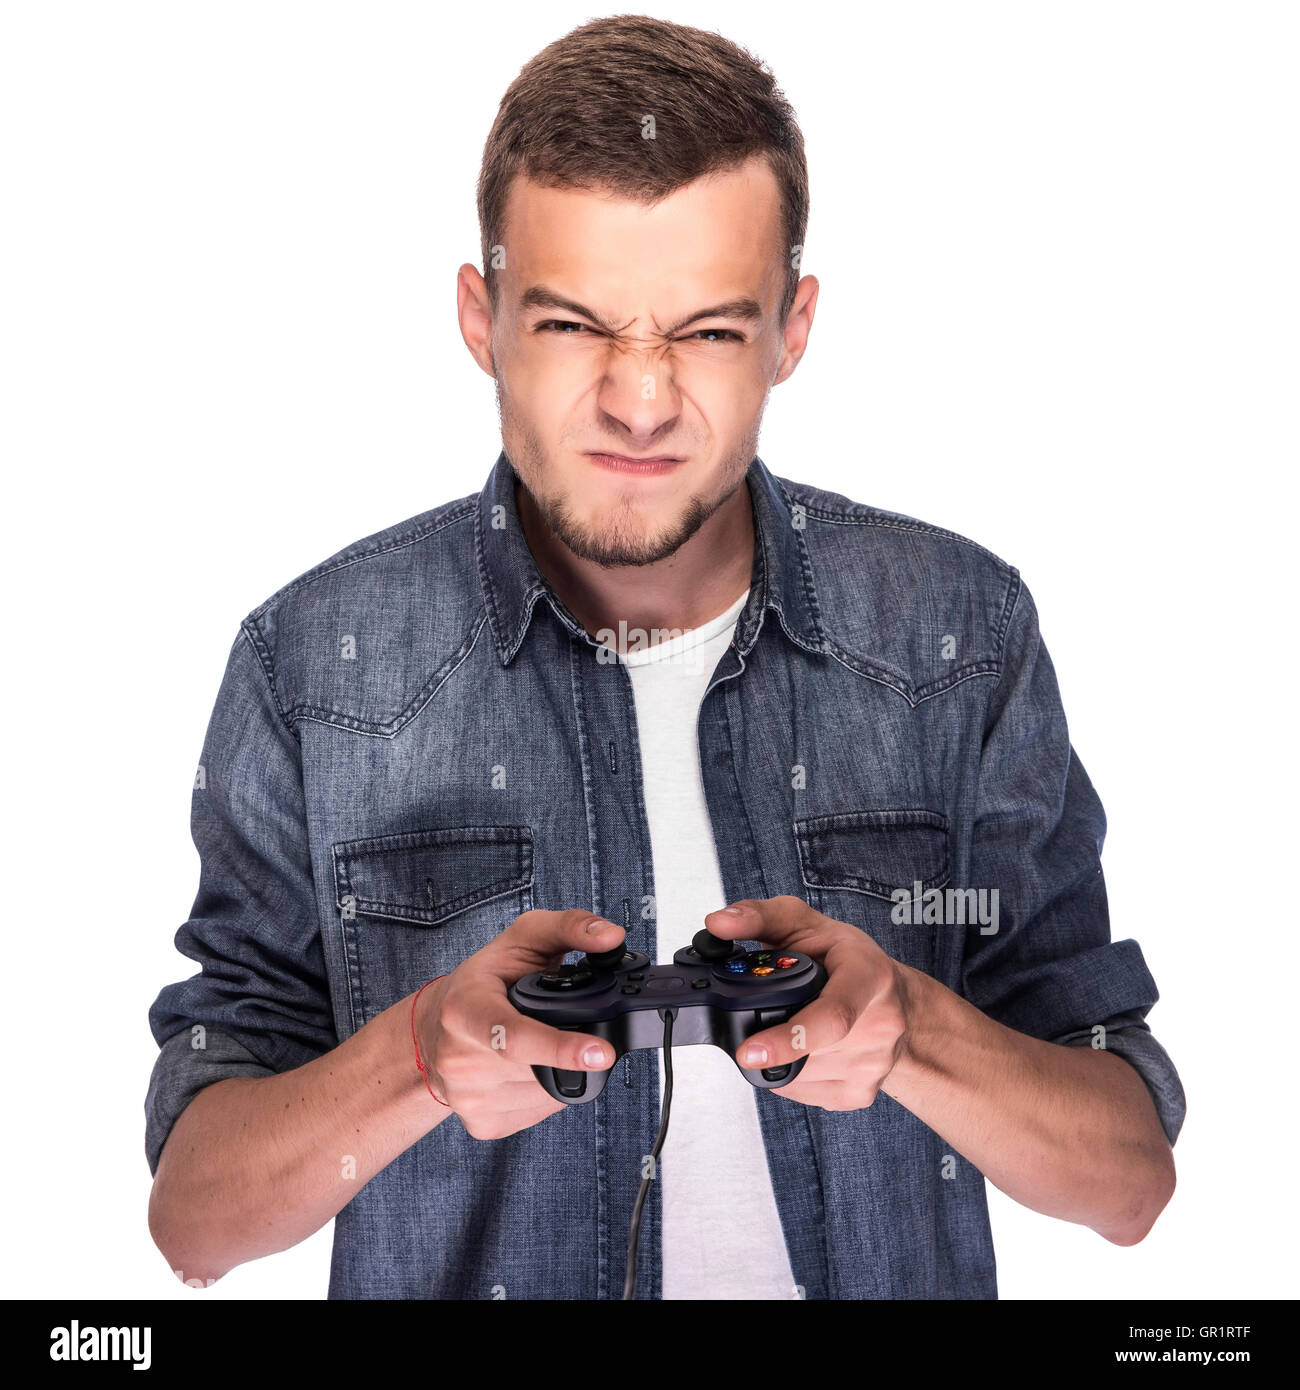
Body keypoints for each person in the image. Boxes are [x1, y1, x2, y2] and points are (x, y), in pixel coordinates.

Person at [145, 14, 1184, 1300]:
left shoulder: (957, 631)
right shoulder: (309, 667)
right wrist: (416, 1055)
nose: (640, 403)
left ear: (792, 329)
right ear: (482, 317)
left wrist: (913, 1030)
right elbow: (195, 1222)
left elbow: (1128, 1181)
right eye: (575, 324)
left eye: (706, 331)